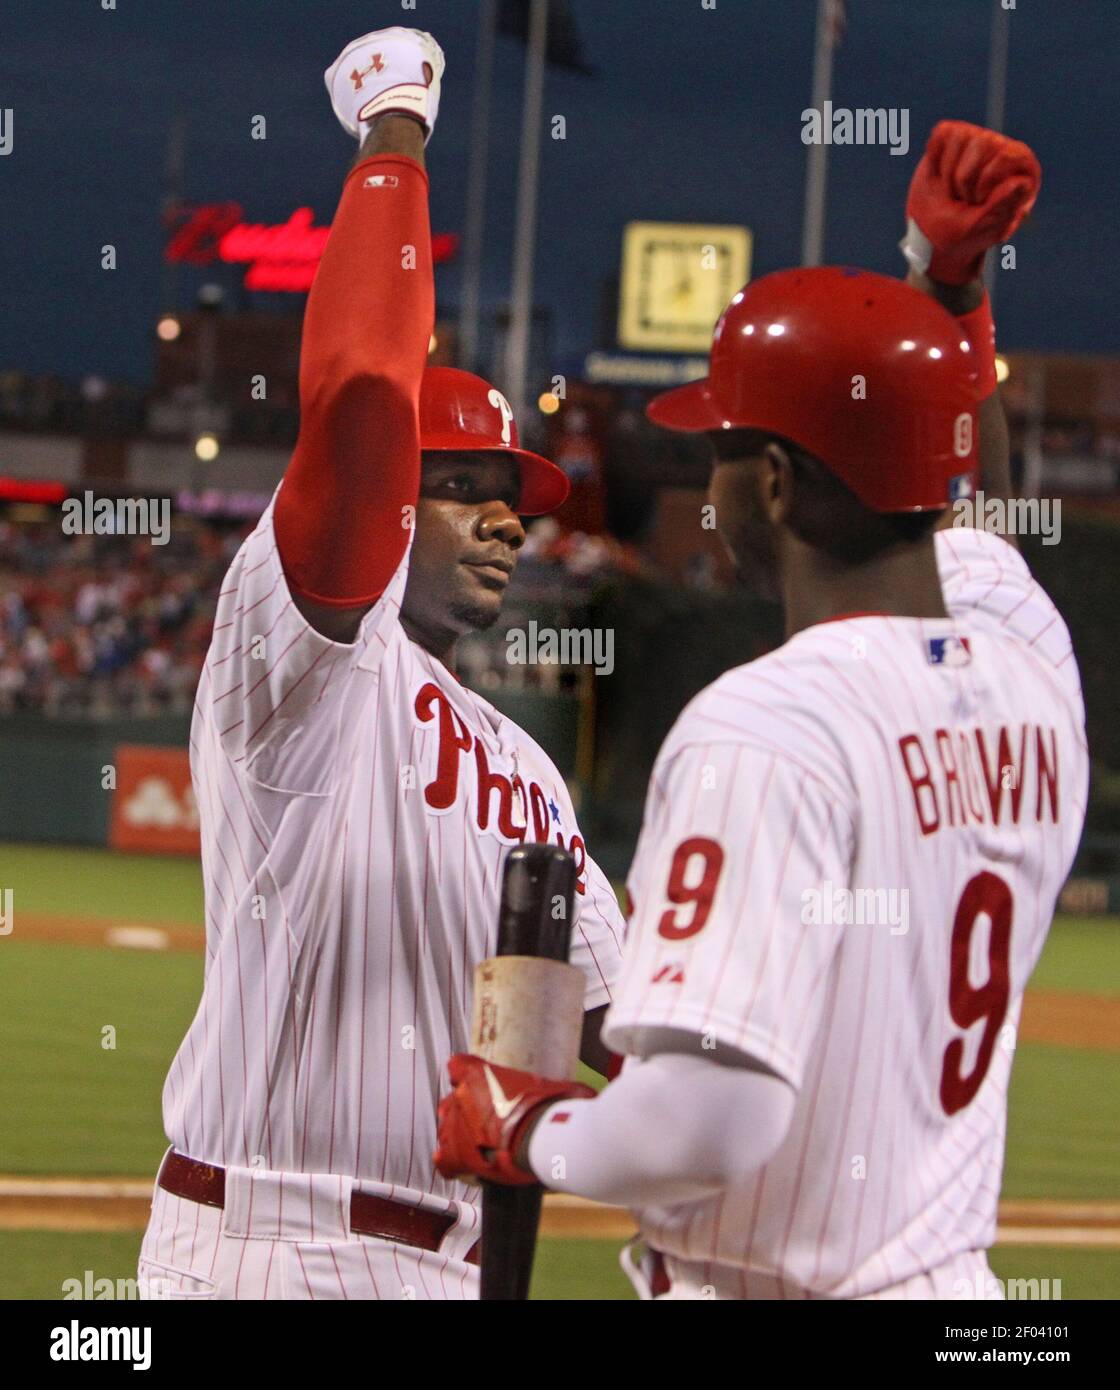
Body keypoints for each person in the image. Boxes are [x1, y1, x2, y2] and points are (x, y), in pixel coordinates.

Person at [434, 123, 1086, 1301]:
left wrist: (530, 1130)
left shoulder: (769, 725)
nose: (705, 480)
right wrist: (944, 292)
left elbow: (711, 1119)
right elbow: (964, 492)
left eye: (723, 452)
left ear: (776, 485)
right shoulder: (1033, 675)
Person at [138, 26, 623, 1302]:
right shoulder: (297, 660)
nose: (510, 519)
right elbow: (359, 391)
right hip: (263, 1248)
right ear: (398, 503)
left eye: (513, 498)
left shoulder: (526, 766)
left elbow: (621, 1024)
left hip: (456, 1267)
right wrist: (394, 124)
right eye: (463, 488)